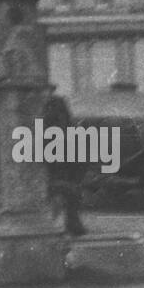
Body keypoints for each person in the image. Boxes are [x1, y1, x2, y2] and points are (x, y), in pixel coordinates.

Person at [41, 86, 86, 237]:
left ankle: (71, 222)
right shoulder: (52, 105)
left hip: (58, 149)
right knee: (69, 189)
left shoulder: (53, 104)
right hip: (53, 151)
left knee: (70, 188)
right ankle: (71, 223)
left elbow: (65, 122)